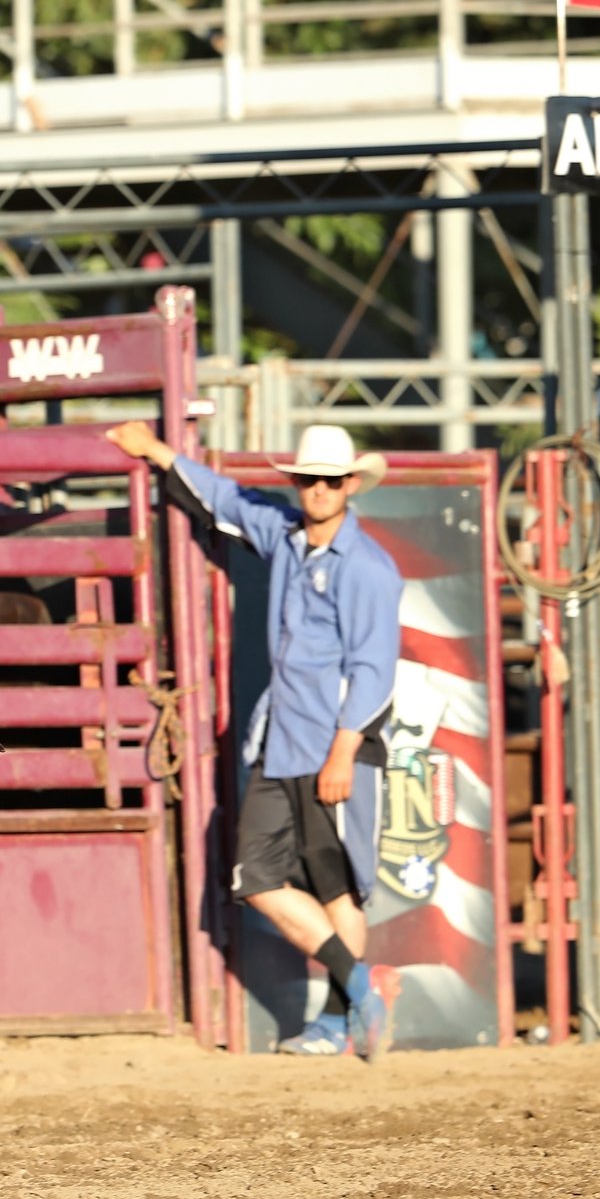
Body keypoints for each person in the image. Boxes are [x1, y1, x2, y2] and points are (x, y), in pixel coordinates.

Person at [106, 420, 403, 1062]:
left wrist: (344, 753)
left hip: (333, 747)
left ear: (350, 485)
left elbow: (374, 669)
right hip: (285, 740)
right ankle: (359, 984)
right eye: (308, 480)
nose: (318, 490)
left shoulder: (369, 570)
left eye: (329, 480)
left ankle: (336, 1019)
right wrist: (157, 451)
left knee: (336, 886)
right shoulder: (286, 535)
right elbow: (226, 498)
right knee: (257, 879)